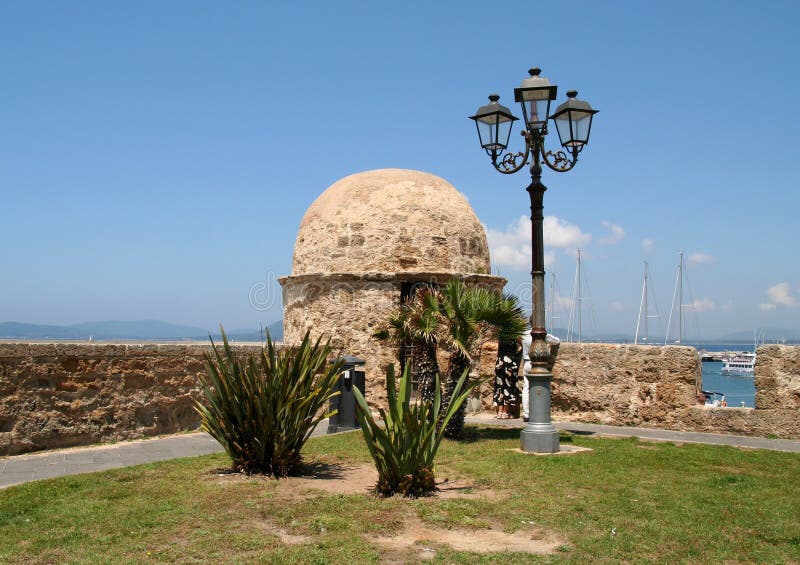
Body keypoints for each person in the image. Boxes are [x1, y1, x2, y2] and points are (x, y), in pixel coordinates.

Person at [521, 330, 560, 422]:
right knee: (540, 387)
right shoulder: (541, 334)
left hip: (526, 362)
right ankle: (539, 412)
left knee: (526, 388)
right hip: (538, 363)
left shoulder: (524, 334)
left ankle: (526, 413)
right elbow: (556, 341)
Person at [493, 337, 522, 419]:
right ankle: (506, 412)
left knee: (500, 386)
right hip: (510, 360)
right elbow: (521, 346)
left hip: (500, 361)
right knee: (509, 386)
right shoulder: (515, 335)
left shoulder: (501, 335)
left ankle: (500, 411)